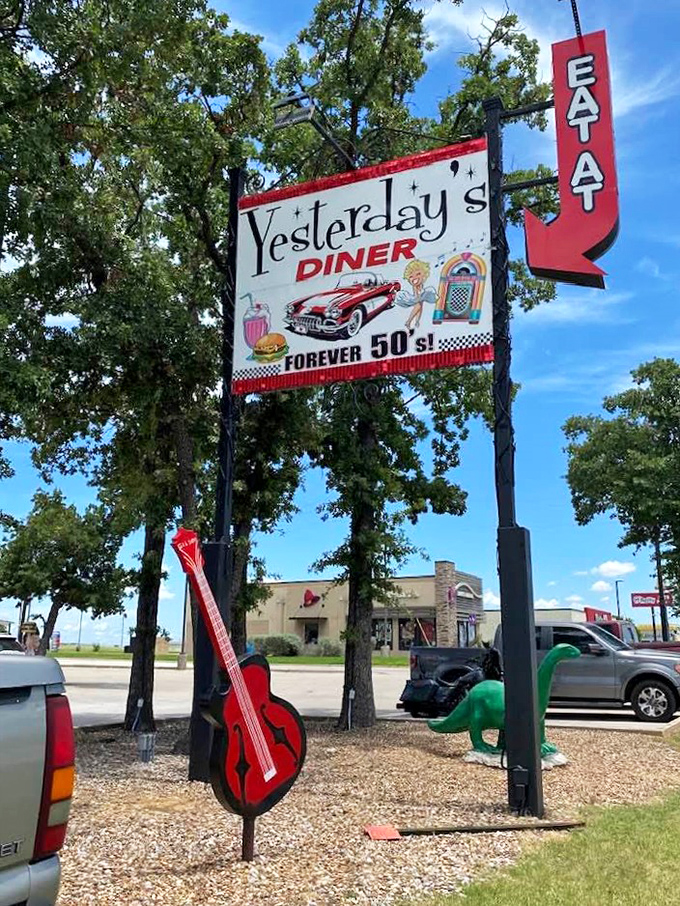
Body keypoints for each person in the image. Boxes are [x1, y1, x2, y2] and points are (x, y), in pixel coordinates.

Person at [395, 259, 436, 334]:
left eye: (418, 274)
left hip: (420, 297)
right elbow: (416, 296)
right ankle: (410, 321)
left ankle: (415, 321)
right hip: (414, 298)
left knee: (420, 305)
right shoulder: (415, 286)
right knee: (419, 304)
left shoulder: (422, 285)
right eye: (411, 276)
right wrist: (419, 296)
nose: (415, 277)